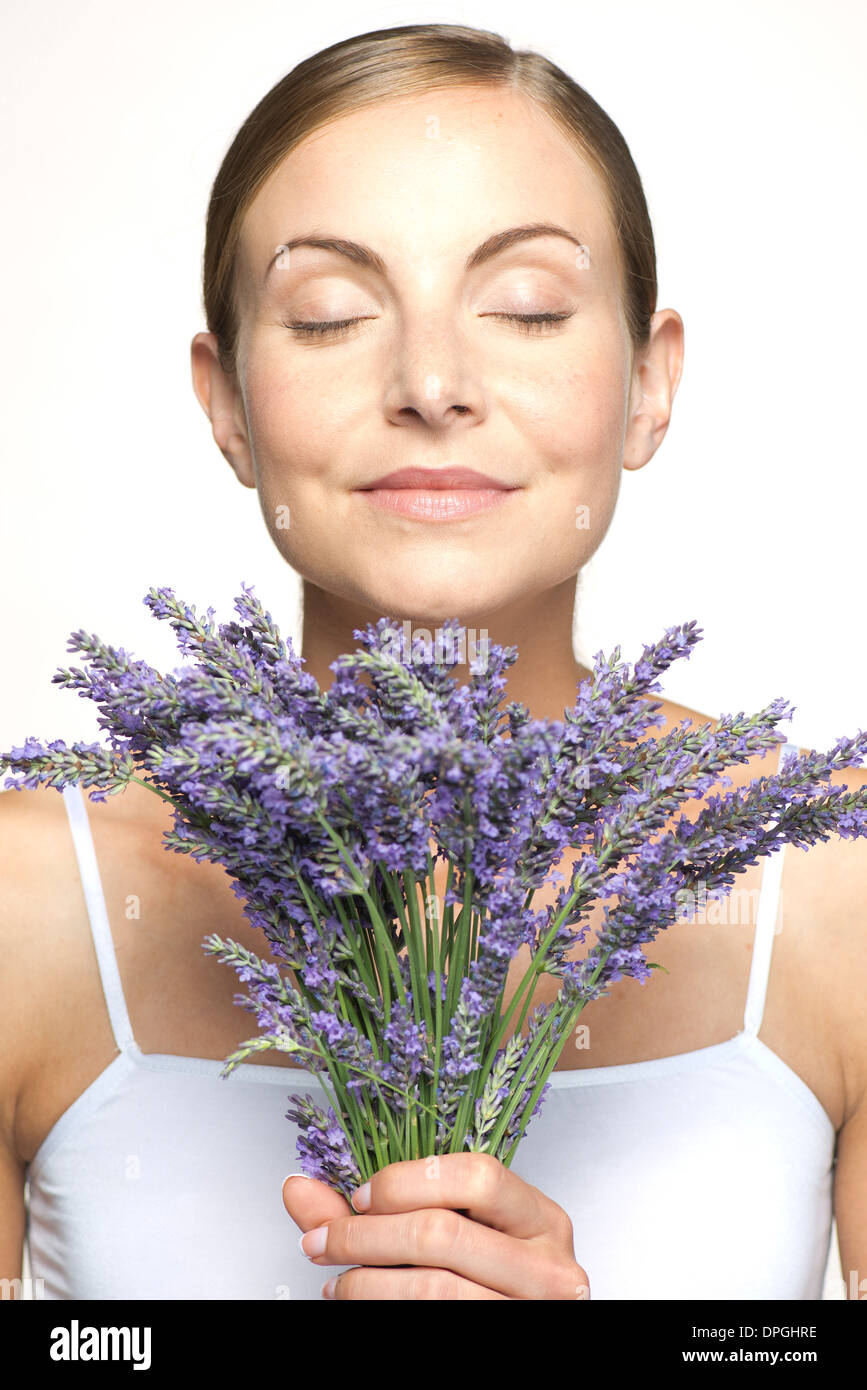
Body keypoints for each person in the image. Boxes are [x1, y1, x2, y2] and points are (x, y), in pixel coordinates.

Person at [2, 22, 865, 1302]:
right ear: (227, 401)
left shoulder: (834, 892)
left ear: (647, 383)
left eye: (525, 306)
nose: (432, 381)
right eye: (330, 314)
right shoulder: (31, 906)